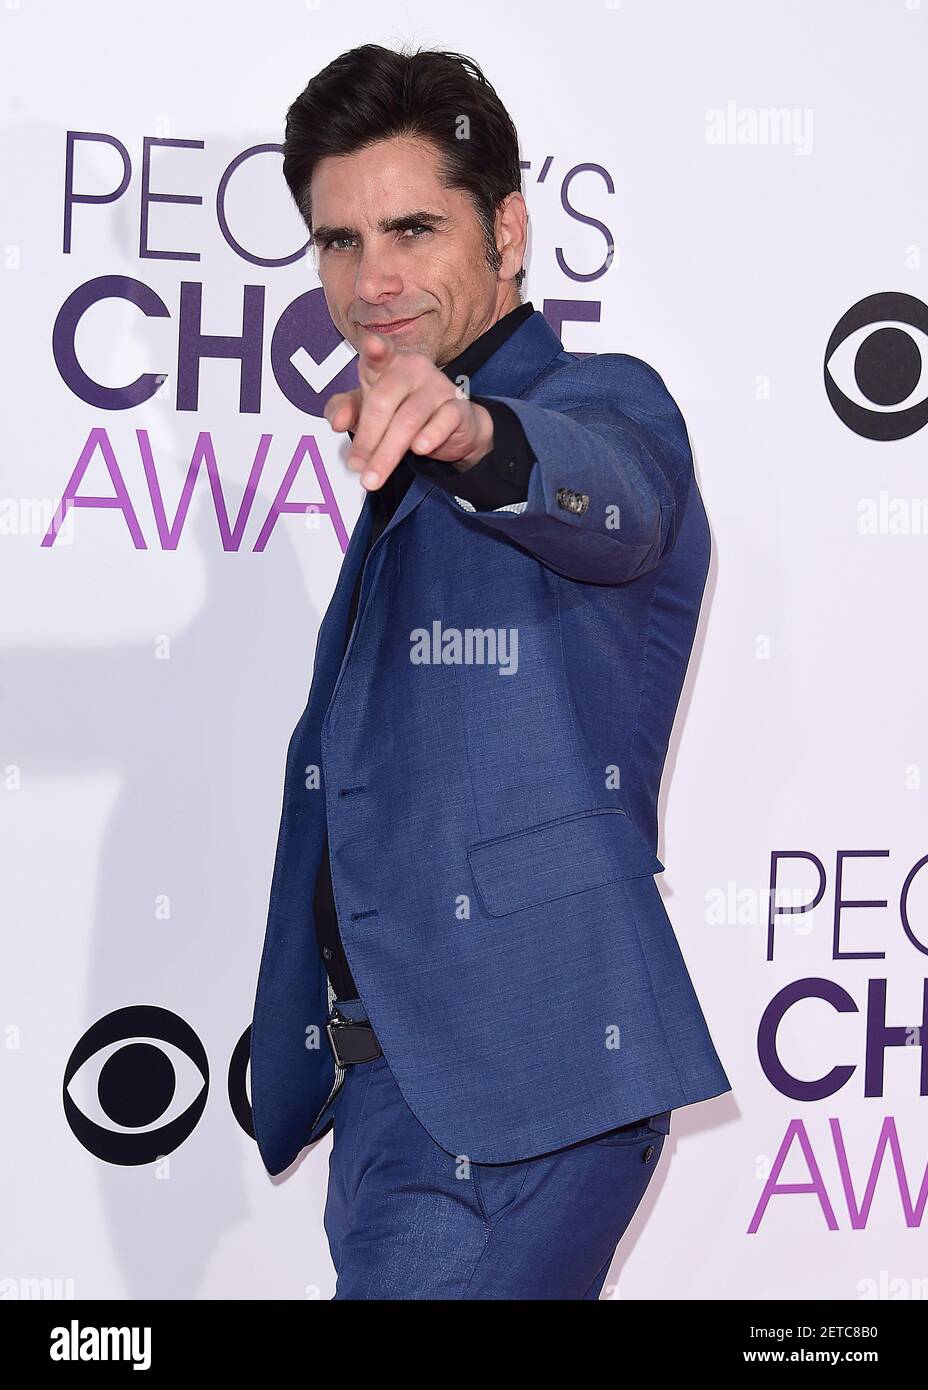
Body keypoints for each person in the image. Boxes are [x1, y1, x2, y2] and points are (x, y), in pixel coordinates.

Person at [249, 42, 731, 1300]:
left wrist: (476, 434)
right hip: (399, 1094)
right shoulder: (393, 468)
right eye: (340, 240)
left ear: (508, 228)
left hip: (510, 1089)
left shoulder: (597, 403)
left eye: (413, 227)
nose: (373, 278)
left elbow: (606, 491)